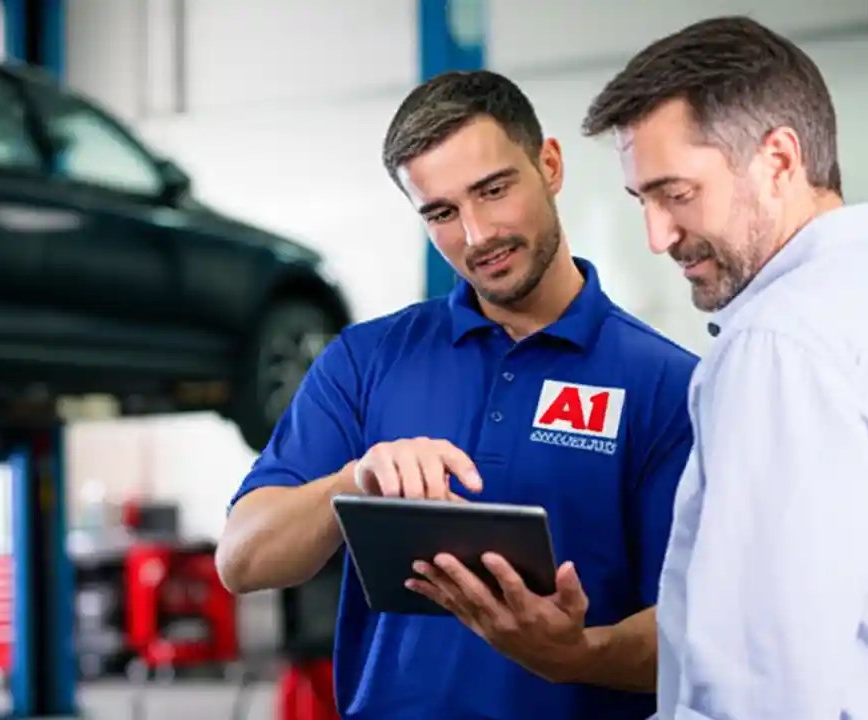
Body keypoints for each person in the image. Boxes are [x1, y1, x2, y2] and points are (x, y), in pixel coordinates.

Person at [579, 15, 868, 720]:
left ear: (778, 159)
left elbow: (754, 688)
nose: (658, 236)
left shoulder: (780, 345)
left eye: (677, 194)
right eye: (642, 200)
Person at [215, 69, 698, 719]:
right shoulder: (366, 360)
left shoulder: (665, 385)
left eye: (494, 190)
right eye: (441, 213)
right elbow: (243, 560)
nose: (477, 235)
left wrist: (578, 653)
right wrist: (354, 481)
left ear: (549, 165)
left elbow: (697, 634)